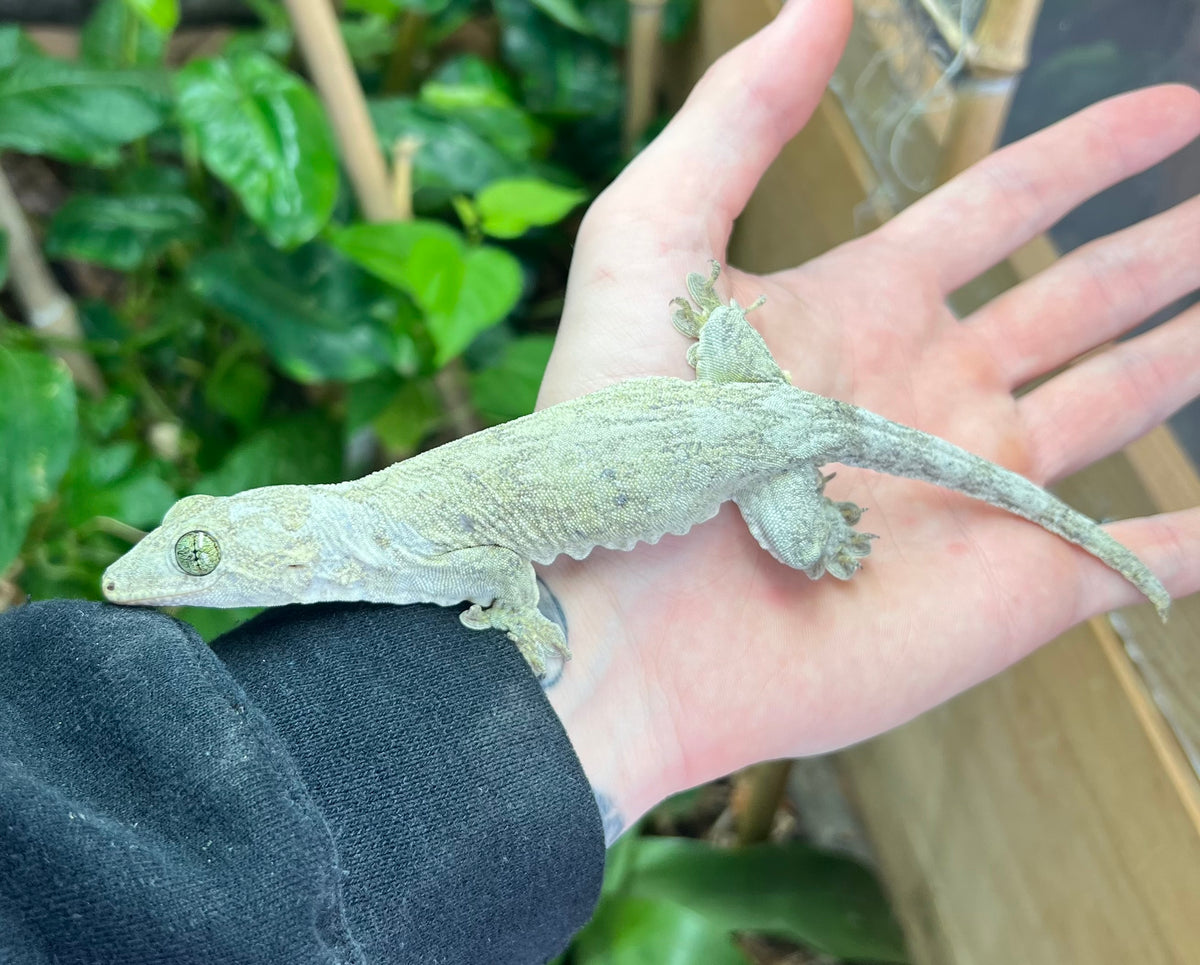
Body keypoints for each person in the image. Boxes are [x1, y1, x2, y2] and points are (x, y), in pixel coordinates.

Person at [2, 0, 1197, 961]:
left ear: (267, 538)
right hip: (728, 394)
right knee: (762, 449)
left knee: (795, 545)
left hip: (747, 441)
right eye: (197, 549)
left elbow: (501, 570)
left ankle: (824, 523)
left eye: (196, 546)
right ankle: (768, 405)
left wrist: (520, 622)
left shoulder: (385, 540)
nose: (155, 571)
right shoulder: (363, 531)